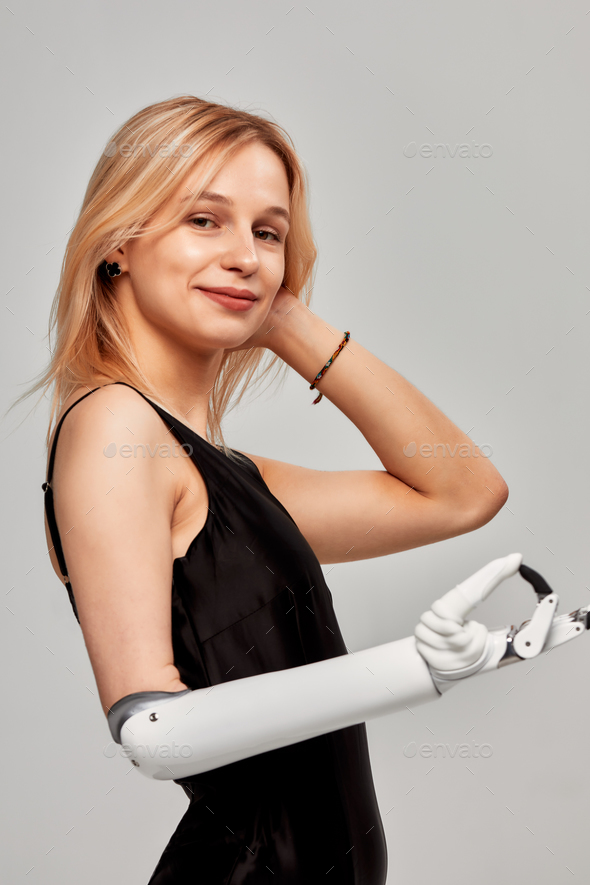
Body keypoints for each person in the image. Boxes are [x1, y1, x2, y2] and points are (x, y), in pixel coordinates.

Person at [33, 95, 509, 883]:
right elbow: (151, 729)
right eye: (204, 221)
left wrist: (282, 315)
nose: (245, 254)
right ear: (119, 240)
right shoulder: (114, 430)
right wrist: (411, 670)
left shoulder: (224, 474)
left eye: (269, 232)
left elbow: (462, 491)